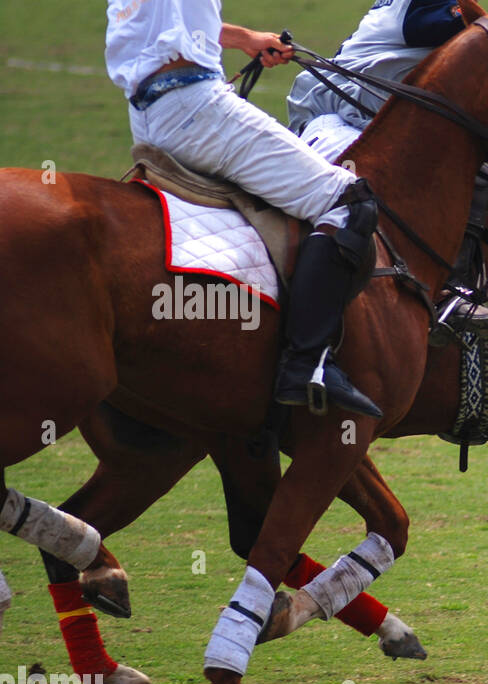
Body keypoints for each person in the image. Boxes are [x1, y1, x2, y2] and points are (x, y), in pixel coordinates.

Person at [106, 0, 385, 418]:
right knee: (349, 201)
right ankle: (306, 365)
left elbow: (176, 26)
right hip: (195, 108)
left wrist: (246, 39)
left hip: (148, 114)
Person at [286, 0, 488, 337]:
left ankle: (455, 289)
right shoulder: (423, 8)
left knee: (473, 177)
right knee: (354, 198)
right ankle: (319, 335)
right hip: (335, 122)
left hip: (381, 125)